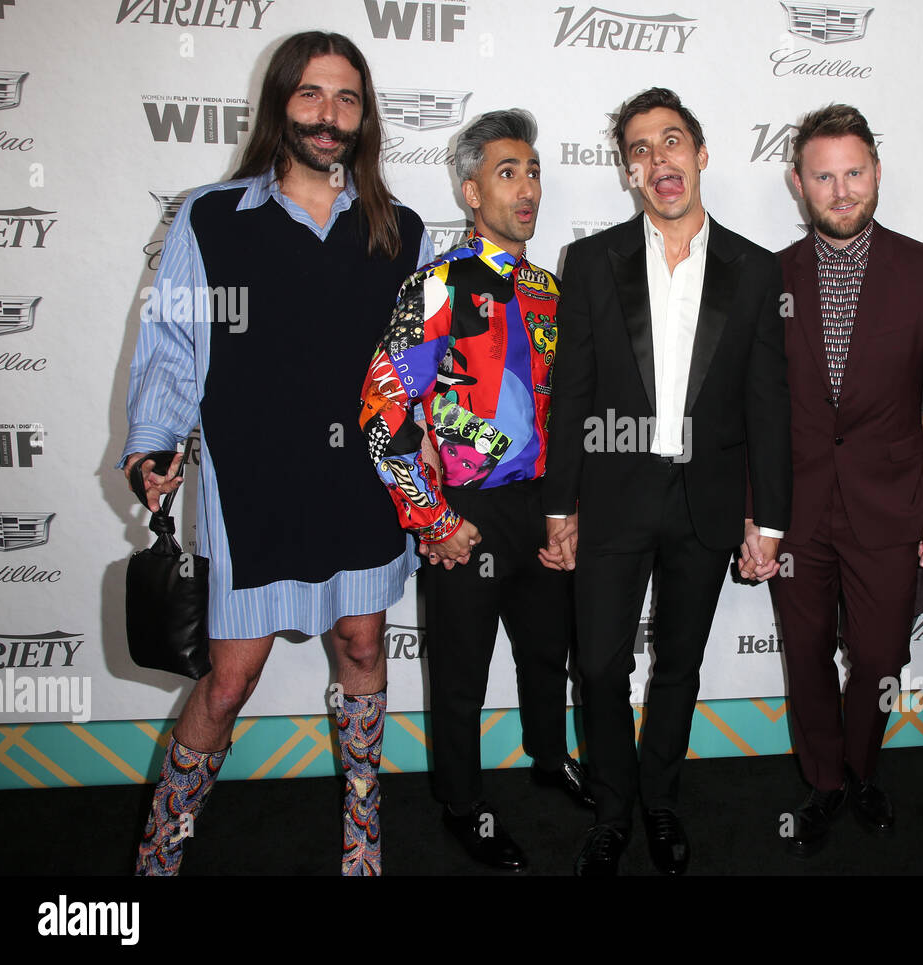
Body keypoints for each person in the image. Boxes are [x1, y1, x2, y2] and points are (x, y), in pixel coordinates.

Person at [120, 31, 434, 876]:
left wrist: (433, 483)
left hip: (363, 486)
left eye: (347, 99)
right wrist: (153, 439)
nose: (328, 116)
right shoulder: (211, 216)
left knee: (364, 648)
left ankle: (362, 836)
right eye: (311, 95)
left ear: (365, 118)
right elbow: (172, 344)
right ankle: (160, 853)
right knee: (228, 682)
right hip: (252, 486)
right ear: (280, 105)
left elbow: (416, 376)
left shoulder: (402, 231)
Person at [541, 87, 791, 876]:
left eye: (671, 141)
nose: (659, 160)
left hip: (706, 504)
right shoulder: (589, 262)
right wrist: (560, 504)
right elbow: (571, 392)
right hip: (612, 500)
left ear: (701, 153)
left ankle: (660, 801)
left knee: (678, 666)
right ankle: (614, 809)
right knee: (602, 667)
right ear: (628, 172)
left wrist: (770, 519)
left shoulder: (754, 268)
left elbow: (768, 403)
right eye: (640, 149)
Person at [359, 109, 590, 873]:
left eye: (532, 171)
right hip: (466, 513)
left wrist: (569, 509)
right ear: (468, 191)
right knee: (460, 677)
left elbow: (571, 412)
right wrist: (433, 517)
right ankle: (462, 805)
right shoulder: (438, 287)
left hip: (542, 509)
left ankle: (551, 764)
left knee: (547, 654)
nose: (527, 189)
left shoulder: (553, 291)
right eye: (506, 172)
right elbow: (380, 412)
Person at [770, 105, 923, 857]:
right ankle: (825, 779)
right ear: (798, 183)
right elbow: (756, 407)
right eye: (823, 175)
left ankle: (861, 766)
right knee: (806, 652)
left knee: (882, 657)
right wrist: (756, 513)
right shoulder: (773, 276)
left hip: (893, 504)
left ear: (878, 174)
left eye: (853, 172)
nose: (841, 189)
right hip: (795, 508)